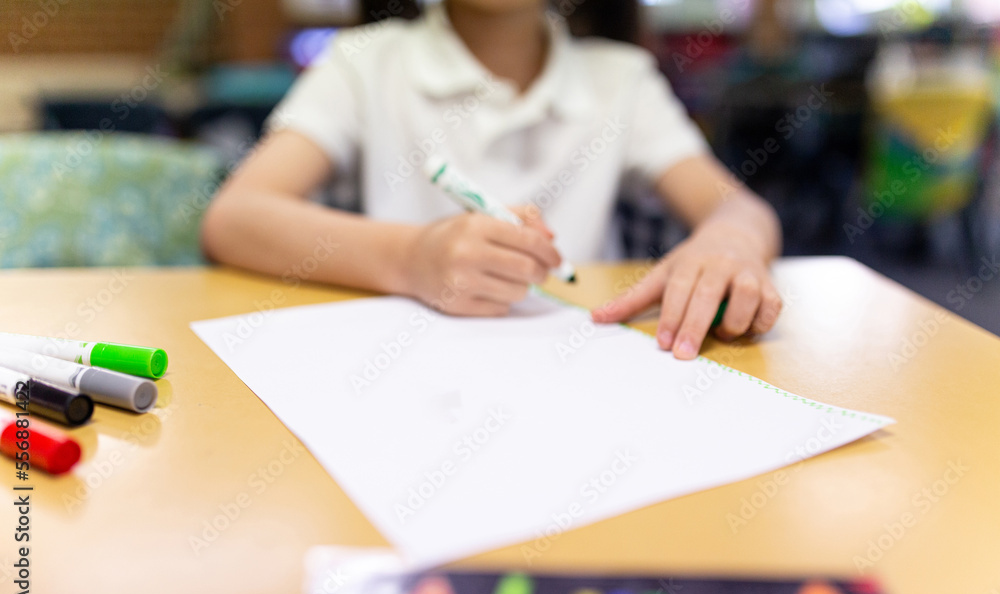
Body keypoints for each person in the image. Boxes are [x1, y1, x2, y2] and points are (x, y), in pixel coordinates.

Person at [200, 0, 783, 360]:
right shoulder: (362, 63)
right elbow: (236, 217)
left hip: (584, 377)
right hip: (403, 383)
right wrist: (411, 257)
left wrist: (727, 242)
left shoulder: (620, 79)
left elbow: (740, 209)